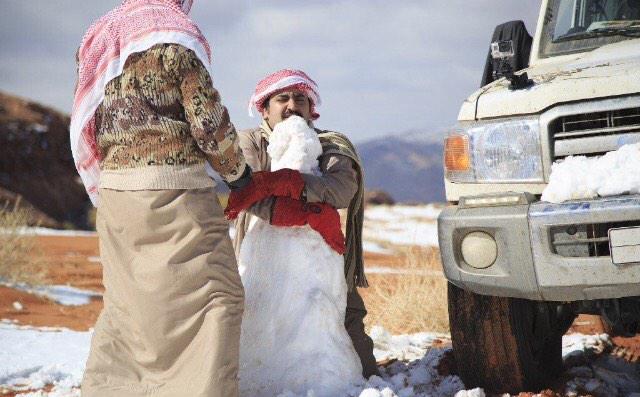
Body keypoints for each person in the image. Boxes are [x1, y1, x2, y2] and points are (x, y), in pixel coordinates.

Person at [69, 1, 276, 395]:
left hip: (114, 194)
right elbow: (208, 122)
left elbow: (87, 116)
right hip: (173, 190)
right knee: (217, 298)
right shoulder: (174, 35)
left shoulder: (101, 36)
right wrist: (240, 176)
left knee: (130, 307)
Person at [225, 69, 379, 379]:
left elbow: (342, 189)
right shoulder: (248, 142)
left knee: (342, 316)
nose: (292, 105)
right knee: (252, 322)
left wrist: (287, 182)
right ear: (264, 109)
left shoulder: (331, 144)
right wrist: (310, 212)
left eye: (300, 99)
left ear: (312, 109)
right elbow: (249, 194)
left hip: (320, 256)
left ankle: (363, 382)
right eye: (281, 99)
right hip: (260, 256)